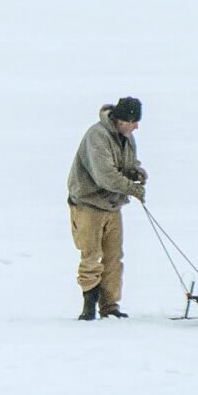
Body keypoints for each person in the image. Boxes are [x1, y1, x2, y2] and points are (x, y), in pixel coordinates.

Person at [66, 96, 146, 320]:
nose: (136, 127)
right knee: (91, 256)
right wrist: (131, 188)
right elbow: (105, 176)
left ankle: (110, 307)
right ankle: (88, 307)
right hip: (88, 205)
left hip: (112, 206)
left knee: (113, 258)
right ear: (122, 120)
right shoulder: (97, 137)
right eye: (133, 122)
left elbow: (128, 163)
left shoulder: (126, 138)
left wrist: (135, 172)